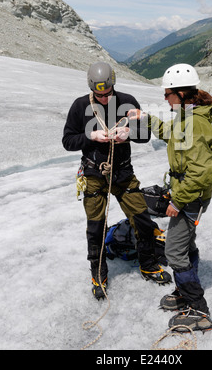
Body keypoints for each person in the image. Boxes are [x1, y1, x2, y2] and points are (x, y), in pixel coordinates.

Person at [128, 63, 212, 333]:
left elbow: (200, 173)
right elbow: (168, 134)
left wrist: (177, 201)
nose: (165, 98)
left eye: (167, 93)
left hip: (189, 196)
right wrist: (145, 117)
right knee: (185, 245)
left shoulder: (194, 124)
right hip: (188, 193)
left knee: (173, 251)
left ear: (181, 94)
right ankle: (184, 291)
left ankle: (199, 310)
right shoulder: (187, 117)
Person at [62, 61, 171, 300]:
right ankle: (98, 274)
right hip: (94, 174)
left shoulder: (127, 101)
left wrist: (128, 134)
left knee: (142, 218)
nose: (102, 98)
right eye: (98, 94)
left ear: (113, 85)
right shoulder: (81, 106)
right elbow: (68, 141)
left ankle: (148, 265)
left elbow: (144, 136)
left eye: (107, 93)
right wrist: (90, 136)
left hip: (122, 173)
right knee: (96, 227)